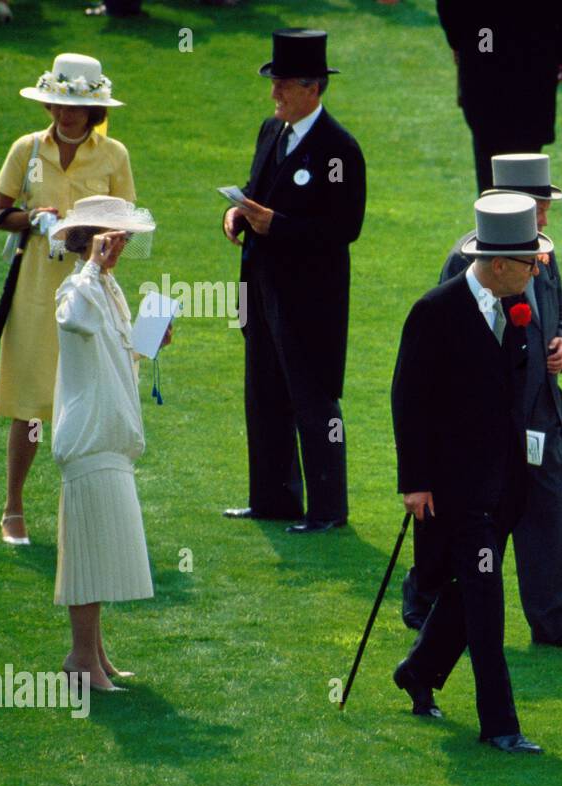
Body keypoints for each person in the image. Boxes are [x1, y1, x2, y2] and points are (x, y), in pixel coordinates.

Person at [408, 154, 562, 651]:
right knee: (472, 529)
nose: (547, 219)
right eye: (540, 206)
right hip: (493, 429)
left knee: (550, 521)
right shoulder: (469, 263)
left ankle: (554, 624)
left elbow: (560, 313)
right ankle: (424, 600)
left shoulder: (540, 252)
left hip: (544, 416)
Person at [391, 193, 548, 755]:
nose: (538, 271)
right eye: (531, 263)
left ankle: (418, 671)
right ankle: (500, 724)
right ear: (501, 264)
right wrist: (415, 482)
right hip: (455, 493)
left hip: (505, 487)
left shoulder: (513, 310)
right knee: (485, 602)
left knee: (466, 590)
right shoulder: (434, 311)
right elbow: (408, 400)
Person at [221, 29, 366, 533]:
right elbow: (255, 190)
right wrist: (236, 216)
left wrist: (275, 225)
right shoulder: (272, 132)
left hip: (310, 298)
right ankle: (272, 498)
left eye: (283, 85)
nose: (274, 94)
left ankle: (328, 508)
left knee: (312, 397)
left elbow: (344, 227)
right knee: (263, 393)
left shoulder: (338, 150)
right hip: (261, 286)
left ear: (313, 88)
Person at [0, 53, 135, 548]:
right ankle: (13, 506)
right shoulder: (26, 149)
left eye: (74, 107)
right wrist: (33, 219)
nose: (64, 114)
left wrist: (92, 243)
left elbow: (127, 225)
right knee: (30, 404)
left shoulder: (113, 154)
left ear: (93, 110)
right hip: (35, 292)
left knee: (88, 401)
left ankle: (85, 513)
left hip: (90, 289)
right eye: (57, 104)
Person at [48, 196, 168, 692]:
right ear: (90, 240)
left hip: (111, 437)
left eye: (122, 240)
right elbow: (74, 317)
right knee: (88, 553)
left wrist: (151, 337)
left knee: (99, 550)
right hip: (88, 436)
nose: (119, 247)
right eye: (111, 238)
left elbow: (120, 353)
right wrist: (91, 267)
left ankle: (95, 654)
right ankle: (81, 660)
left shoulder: (109, 286)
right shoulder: (76, 287)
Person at [436, 1, 562, 193]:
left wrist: (459, 43)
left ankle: (497, 216)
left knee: (490, 153)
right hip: (532, 54)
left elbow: (449, 8)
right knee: (525, 155)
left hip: (483, 50)